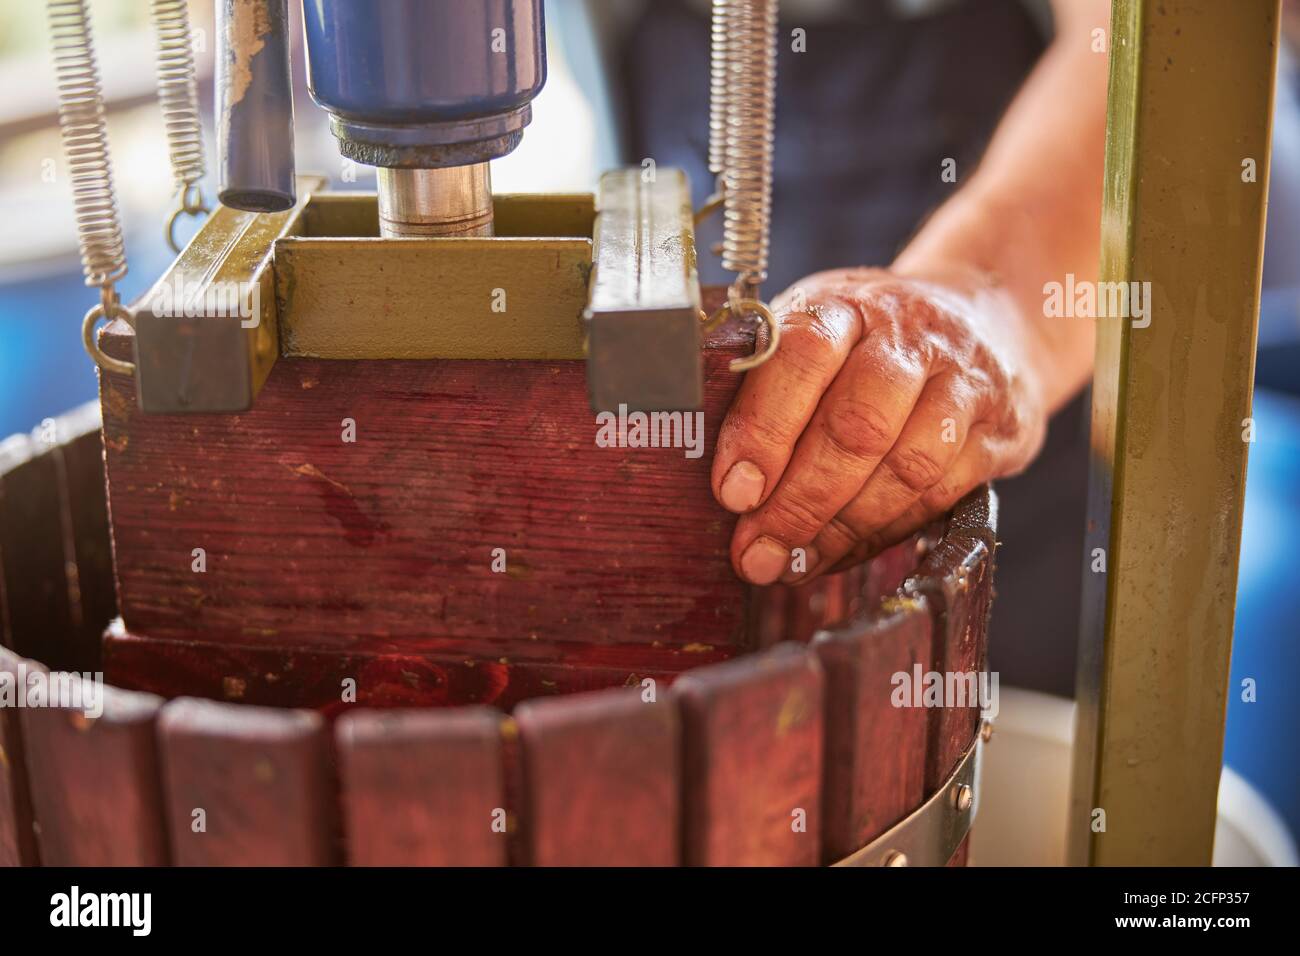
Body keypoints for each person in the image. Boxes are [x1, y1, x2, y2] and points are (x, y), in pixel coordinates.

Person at [603, 0, 1109, 693]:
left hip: (1018, 131)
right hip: (672, 83)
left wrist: (990, 298)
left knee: (977, 666)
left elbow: (1162, 36)